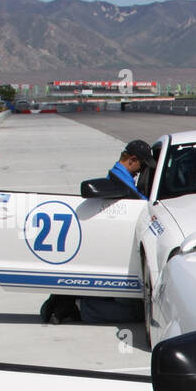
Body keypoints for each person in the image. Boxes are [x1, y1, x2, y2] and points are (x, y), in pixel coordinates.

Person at [43, 139, 156, 324]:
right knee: (138, 313)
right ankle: (76, 306)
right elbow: (144, 207)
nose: (141, 171)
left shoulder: (123, 181)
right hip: (121, 256)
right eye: (141, 166)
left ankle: (70, 299)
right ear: (132, 160)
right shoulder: (123, 187)